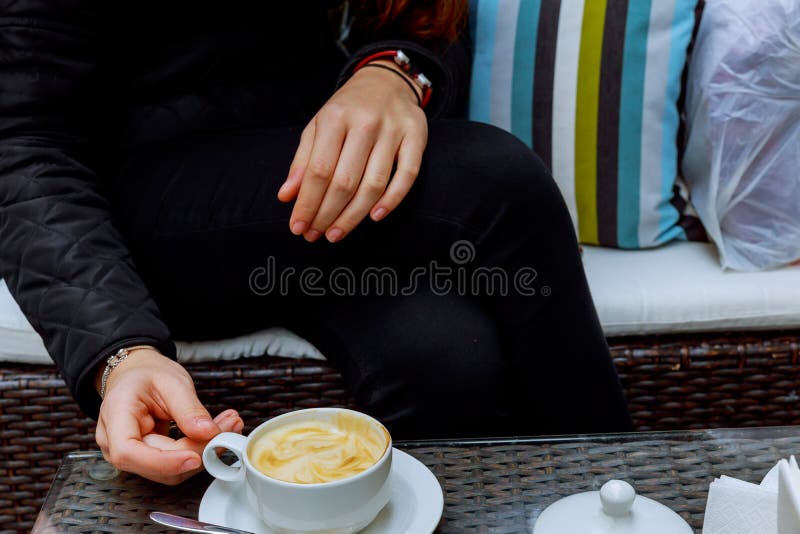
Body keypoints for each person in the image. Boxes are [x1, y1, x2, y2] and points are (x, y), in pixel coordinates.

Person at [0, 0, 631, 486]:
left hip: (306, 175)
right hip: (137, 213)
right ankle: (622, 496)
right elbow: (23, 141)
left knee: (447, 361)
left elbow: (426, 15)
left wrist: (392, 70)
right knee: (498, 179)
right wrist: (119, 353)